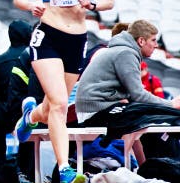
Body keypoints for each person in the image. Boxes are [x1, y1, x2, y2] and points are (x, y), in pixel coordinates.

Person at [12, 0, 114, 183]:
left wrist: (92, 4)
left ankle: (31, 117)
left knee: (53, 106)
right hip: (47, 35)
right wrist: (31, 4)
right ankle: (65, 170)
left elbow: (110, 0)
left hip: (77, 39)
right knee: (58, 103)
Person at [75, 19, 180, 172]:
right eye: (153, 40)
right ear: (141, 41)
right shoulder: (126, 53)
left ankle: (147, 170)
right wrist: (170, 105)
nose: (156, 45)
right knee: (154, 115)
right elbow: (139, 95)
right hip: (96, 111)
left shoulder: (123, 51)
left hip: (101, 107)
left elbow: (134, 97)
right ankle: (161, 169)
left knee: (148, 117)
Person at [0, 19, 32, 183]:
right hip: (30, 111)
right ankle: (24, 171)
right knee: (30, 128)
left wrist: (5, 112)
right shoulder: (36, 58)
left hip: (5, 112)